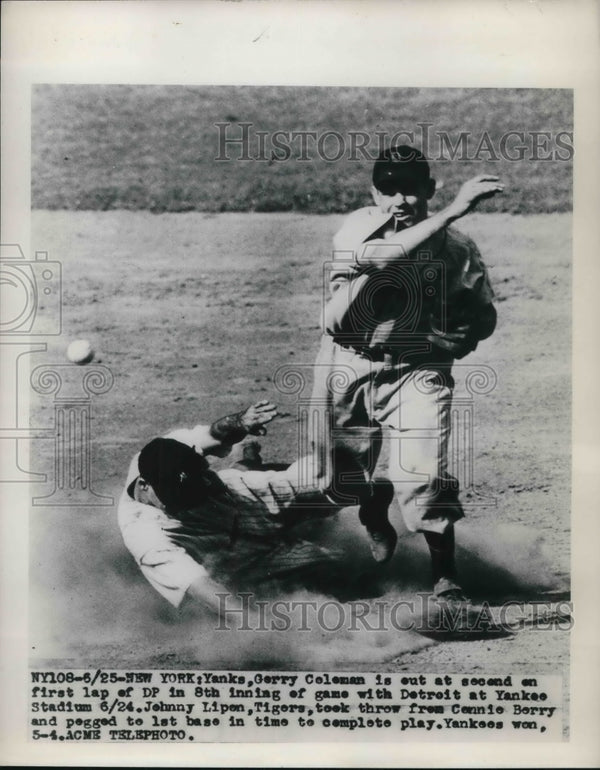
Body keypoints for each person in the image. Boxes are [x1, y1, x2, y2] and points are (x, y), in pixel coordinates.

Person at [311, 144, 502, 603]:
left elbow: (482, 317)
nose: (399, 200)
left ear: (428, 190)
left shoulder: (457, 249)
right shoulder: (359, 226)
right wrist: (456, 209)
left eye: (410, 190)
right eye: (387, 190)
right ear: (373, 193)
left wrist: (449, 342)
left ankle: (446, 577)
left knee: (423, 475)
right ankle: (372, 507)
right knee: (335, 480)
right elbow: (383, 259)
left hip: (415, 372)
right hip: (346, 363)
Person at [118, 400, 394, 617]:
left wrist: (239, 421)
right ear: (144, 486)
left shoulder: (165, 452)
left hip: (240, 496)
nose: (190, 498)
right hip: (233, 554)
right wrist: (256, 627)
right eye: (180, 497)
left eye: (196, 484)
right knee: (338, 574)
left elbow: (214, 433)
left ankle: (372, 506)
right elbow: (206, 590)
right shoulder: (146, 536)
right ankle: (249, 462)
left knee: (340, 480)